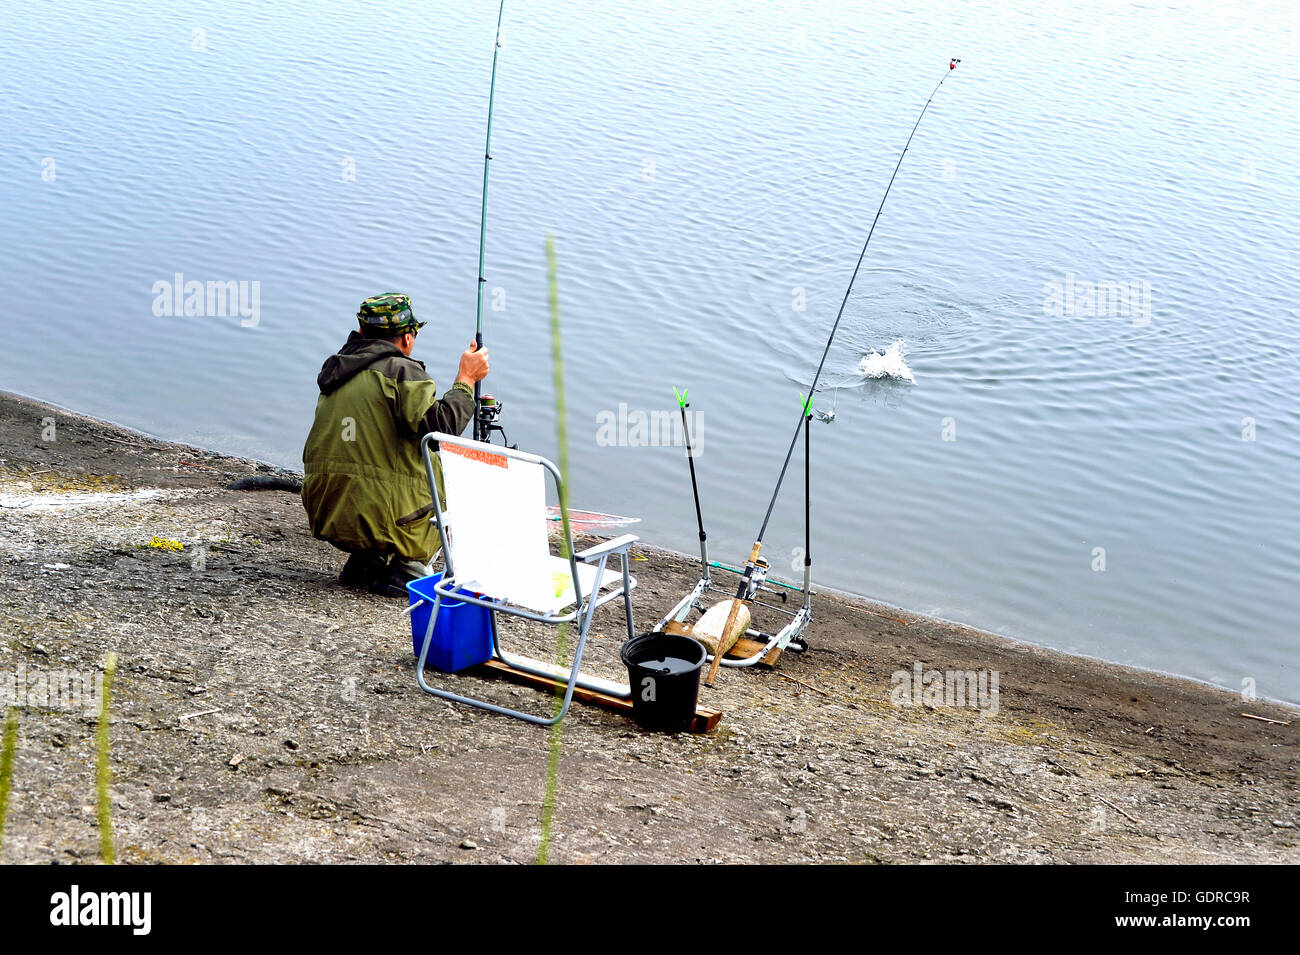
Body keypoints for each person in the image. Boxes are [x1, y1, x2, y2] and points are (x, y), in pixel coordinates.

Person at [302, 293, 489, 596]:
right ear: (406, 338)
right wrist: (466, 380)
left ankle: (367, 560)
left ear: (362, 333)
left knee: (376, 456)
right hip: (377, 515)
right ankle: (406, 571)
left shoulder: (338, 371)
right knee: (448, 477)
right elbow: (442, 430)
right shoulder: (402, 372)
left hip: (327, 509)